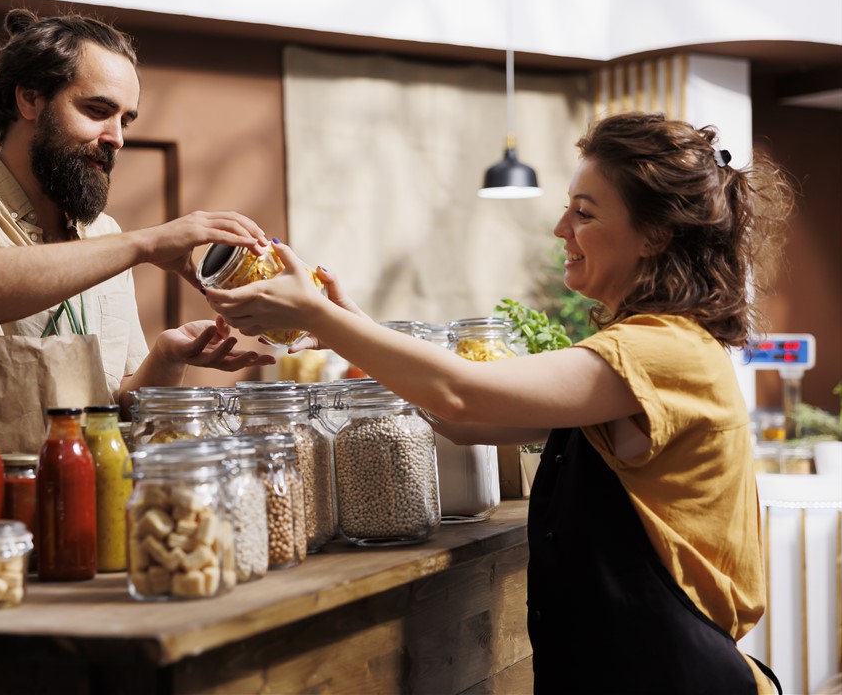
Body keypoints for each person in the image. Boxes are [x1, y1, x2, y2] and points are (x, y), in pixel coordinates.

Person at [207, 111, 793, 694]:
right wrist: (344, 319)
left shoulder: (664, 350)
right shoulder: (643, 346)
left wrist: (323, 319)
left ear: (655, 234)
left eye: (584, 212)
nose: (561, 227)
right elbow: (470, 421)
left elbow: (460, 398)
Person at [0, 9, 274, 499]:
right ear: (29, 98)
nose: (116, 137)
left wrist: (168, 357)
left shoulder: (104, 235)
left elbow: (116, 409)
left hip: (88, 529)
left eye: (125, 119)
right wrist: (144, 243)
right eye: (97, 111)